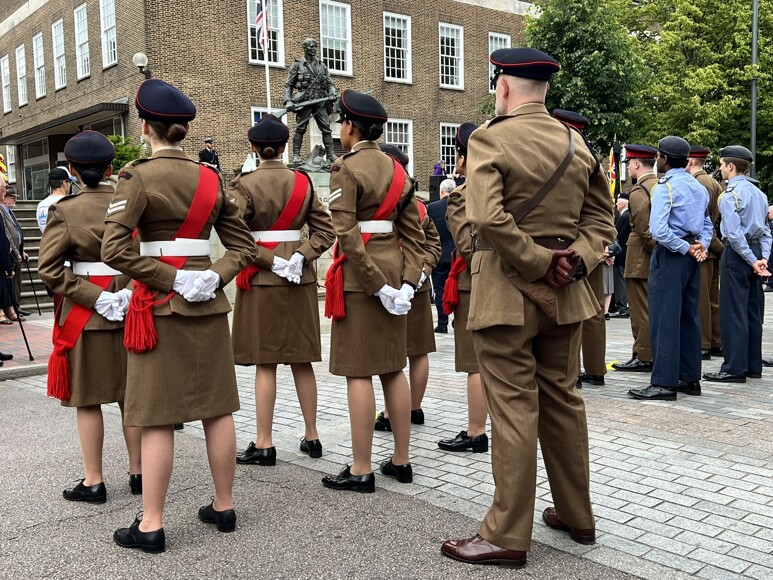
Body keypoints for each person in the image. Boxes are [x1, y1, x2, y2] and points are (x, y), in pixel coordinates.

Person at [441, 47, 615, 568]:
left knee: (515, 408)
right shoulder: (575, 143)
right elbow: (601, 222)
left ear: (504, 87)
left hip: (505, 293)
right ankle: (577, 515)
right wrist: (573, 263)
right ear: (543, 90)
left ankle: (506, 535)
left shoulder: (491, 139)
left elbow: (488, 219)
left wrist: (538, 261)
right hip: (565, 296)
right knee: (563, 402)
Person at [102, 78, 256, 552]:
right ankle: (224, 505)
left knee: (156, 416)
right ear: (183, 131)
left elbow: (113, 249)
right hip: (207, 307)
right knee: (217, 408)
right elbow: (244, 247)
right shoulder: (212, 179)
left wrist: (170, 279)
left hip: (160, 307)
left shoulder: (137, 176)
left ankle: (151, 524)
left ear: (145, 126)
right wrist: (213, 274)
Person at [321, 89, 424, 493]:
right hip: (395, 273)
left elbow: (345, 234)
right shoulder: (399, 172)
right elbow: (414, 236)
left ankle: (362, 467)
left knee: (359, 372)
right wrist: (408, 284)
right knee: (393, 369)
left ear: (349, 126)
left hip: (362, 279)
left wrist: (377, 286)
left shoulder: (344, 168)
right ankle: (401, 460)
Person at [37, 130, 142, 505]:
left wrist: (95, 297)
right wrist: (125, 291)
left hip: (85, 314)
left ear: (74, 172)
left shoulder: (64, 210)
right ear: (110, 167)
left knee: (89, 400)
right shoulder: (130, 203)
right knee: (131, 396)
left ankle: (94, 480)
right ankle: (138, 473)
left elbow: (49, 269)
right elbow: (144, 253)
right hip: (132, 311)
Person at [230, 114, 335, 465]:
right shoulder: (303, 183)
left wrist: (269, 260)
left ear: (253, 148)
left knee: (267, 364)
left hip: (262, 277)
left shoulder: (243, 184)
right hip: (299, 277)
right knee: (302, 361)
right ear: (287, 146)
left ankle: (264, 442)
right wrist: (299, 256)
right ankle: (312, 435)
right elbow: (325, 232)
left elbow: (236, 234)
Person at [628, 136, 713, 401]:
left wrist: (684, 247)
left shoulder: (664, 187)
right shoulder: (699, 187)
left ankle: (664, 382)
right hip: (691, 255)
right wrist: (701, 245)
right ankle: (690, 378)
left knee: (664, 317)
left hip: (671, 254)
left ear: (662, 158)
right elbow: (708, 223)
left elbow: (659, 230)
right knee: (689, 316)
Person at [374, 144, 441, 431]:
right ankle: (414, 408)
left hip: (391, 286)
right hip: (417, 287)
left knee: (394, 354)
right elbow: (433, 246)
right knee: (417, 350)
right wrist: (423, 273)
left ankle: (392, 413)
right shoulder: (421, 206)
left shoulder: (383, 203)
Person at [438, 122, 489, 454]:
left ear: (462, 159)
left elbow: (468, 248)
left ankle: (475, 431)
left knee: (474, 363)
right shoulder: (503, 187)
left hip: (474, 284)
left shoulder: (462, 195)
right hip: (507, 282)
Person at [552, 109, 612, 389]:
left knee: (570, 310)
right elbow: (602, 211)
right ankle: (597, 369)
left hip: (567, 248)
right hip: (592, 249)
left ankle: (572, 372)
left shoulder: (558, 155)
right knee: (595, 310)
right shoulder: (590, 160)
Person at [703, 146, 771, 383]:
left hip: (738, 254)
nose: (720, 168)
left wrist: (753, 261)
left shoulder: (728, 195)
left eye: (722, 164)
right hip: (755, 251)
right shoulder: (760, 195)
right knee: (753, 311)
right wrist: (762, 259)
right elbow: (766, 233)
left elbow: (732, 234)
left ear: (731, 166)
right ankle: (753, 365)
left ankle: (734, 368)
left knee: (733, 313)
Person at [612, 144, 658, 373]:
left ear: (637, 164)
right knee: (650, 308)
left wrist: (655, 249)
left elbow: (643, 228)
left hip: (640, 257)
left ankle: (643, 355)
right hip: (652, 257)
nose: (628, 167)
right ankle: (648, 352)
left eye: (629, 163)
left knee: (640, 310)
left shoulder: (639, 190)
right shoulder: (659, 184)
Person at [687, 146, 723, 360]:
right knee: (711, 298)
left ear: (690, 161)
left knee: (700, 298)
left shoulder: (697, 183)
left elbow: (700, 219)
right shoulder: (714, 182)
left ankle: (703, 343)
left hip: (702, 245)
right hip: (712, 244)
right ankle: (715, 340)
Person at [284, 38, 338, 165]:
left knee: (326, 129)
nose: (314, 49)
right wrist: (288, 101)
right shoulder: (297, 65)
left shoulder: (321, 65)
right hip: (305, 100)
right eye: (311, 46)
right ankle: (296, 155)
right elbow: (288, 85)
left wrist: (332, 92)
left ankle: (330, 154)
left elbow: (330, 84)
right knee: (300, 128)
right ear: (305, 48)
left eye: (315, 46)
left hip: (320, 100)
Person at [428, 178, 456, 333]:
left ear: (441, 191)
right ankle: (457, 322)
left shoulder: (432, 208)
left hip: (439, 254)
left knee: (439, 290)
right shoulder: (462, 205)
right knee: (458, 289)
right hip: (457, 255)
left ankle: (442, 323)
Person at [1, 186, 27, 315]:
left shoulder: (9, 212)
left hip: (17, 252)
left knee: (17, 282)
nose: (14, 201)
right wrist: (15, 251)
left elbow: (16, 231)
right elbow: (7, 234)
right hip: (10, 252)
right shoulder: (1, 211)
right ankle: (10, 308)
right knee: (10, 281)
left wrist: (21, 251)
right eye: (12, 198)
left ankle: (16, 306)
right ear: (4, 199)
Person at [609, 195, 631, 317]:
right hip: (625, 252)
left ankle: (622, 307)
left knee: (620, 281)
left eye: (617, 203)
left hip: (621, 253)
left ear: (622, 204)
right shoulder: (627, 215)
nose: (616, 205)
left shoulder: (624, 217)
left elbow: (617, 235)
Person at [36, 167, 76, 233]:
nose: (70, 185)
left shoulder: (41, 205)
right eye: (69, 182)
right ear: (64, 183)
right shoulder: (69, 203)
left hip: (47, 242)